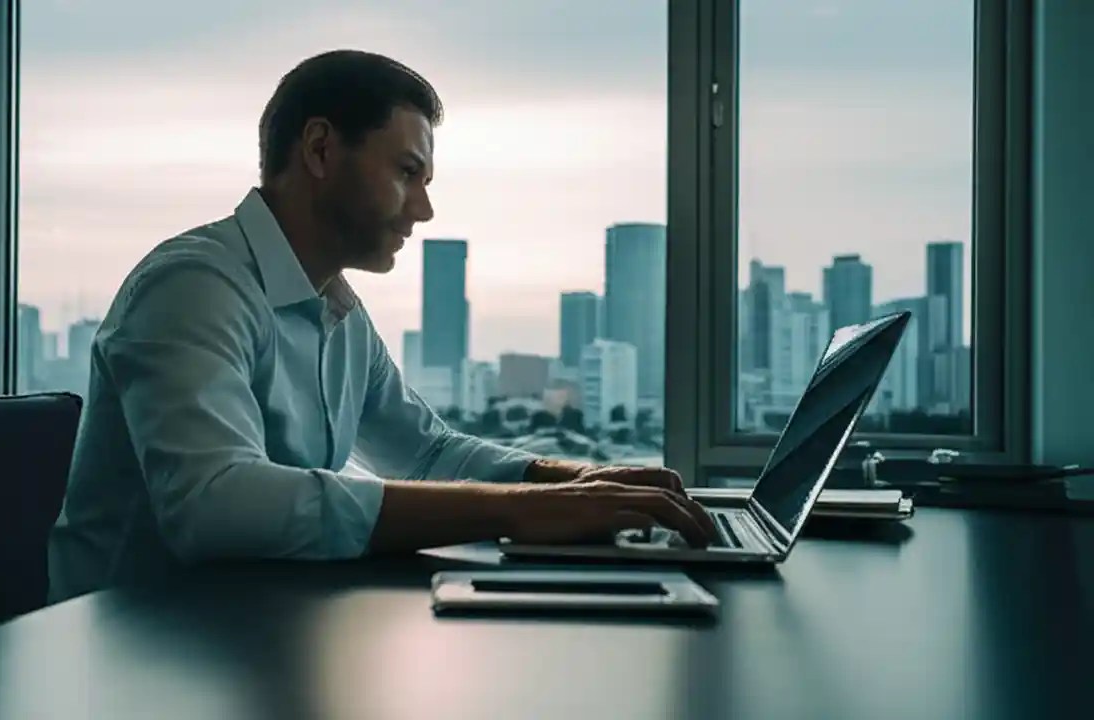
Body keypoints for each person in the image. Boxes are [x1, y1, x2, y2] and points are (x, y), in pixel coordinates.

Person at [48, 49, 717, 601]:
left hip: (245, 628)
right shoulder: (193, 286)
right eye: (407, 173)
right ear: (319, 149)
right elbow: (214, 505)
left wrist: (570, 482)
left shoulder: (336, 311)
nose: (424, 209)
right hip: (124, 647)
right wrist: (517, 511)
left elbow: (426, 453)